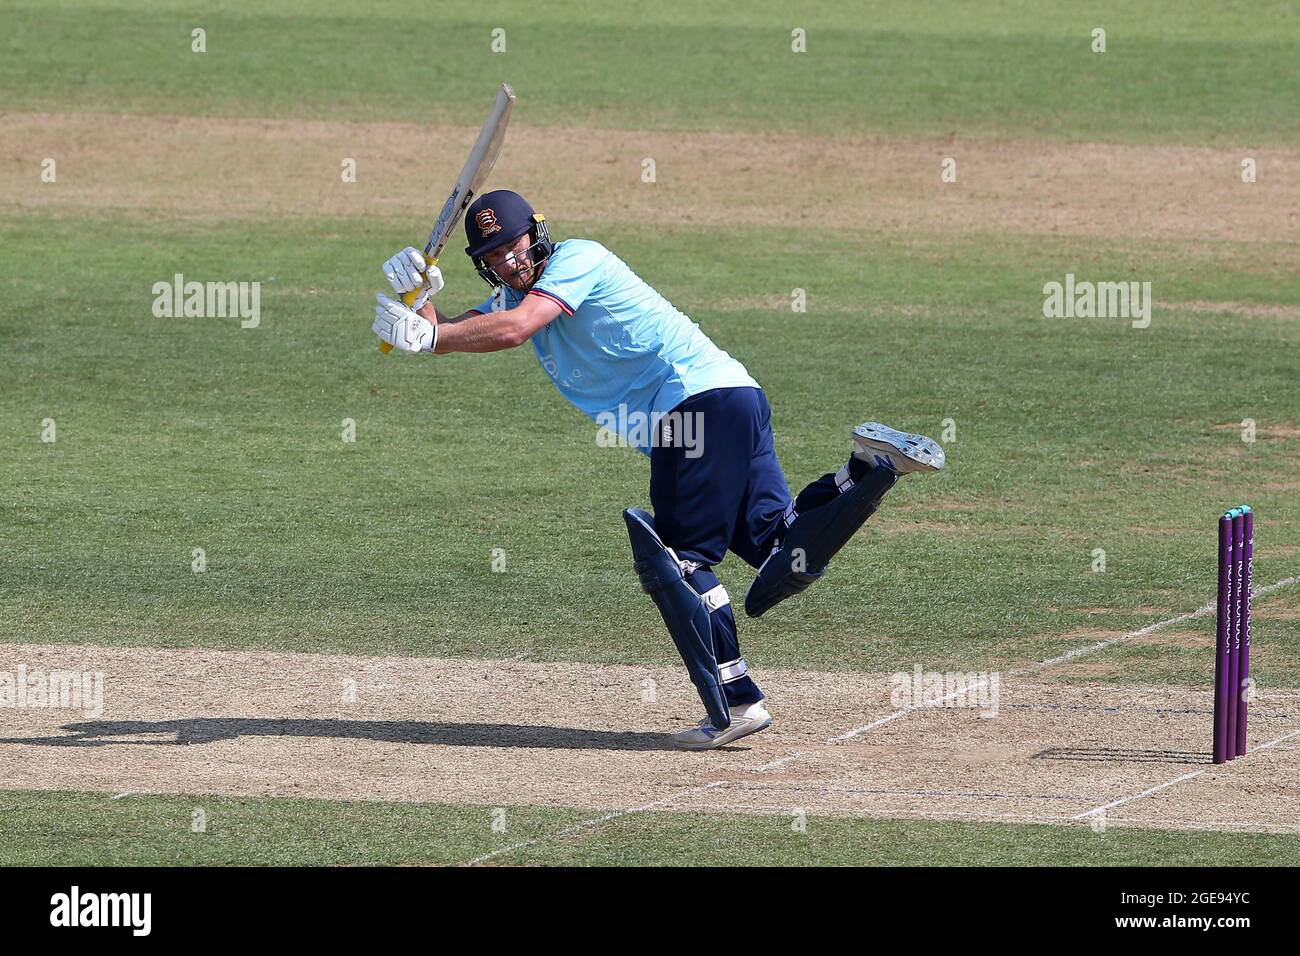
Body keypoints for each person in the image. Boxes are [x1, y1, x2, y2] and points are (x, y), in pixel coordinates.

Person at [372, 189, 945, 750]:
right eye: (491, 257)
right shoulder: (512, 298)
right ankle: (867, 470)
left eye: (513, 245)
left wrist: (428, 334)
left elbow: (516, 328)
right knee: (780, 552)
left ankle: (736, 702)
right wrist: (419, 294)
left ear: (537, 234)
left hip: (692, 410)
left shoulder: (578, 259)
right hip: (732, 400)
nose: (506, 261)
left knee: (675, 558)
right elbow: (450, 336)